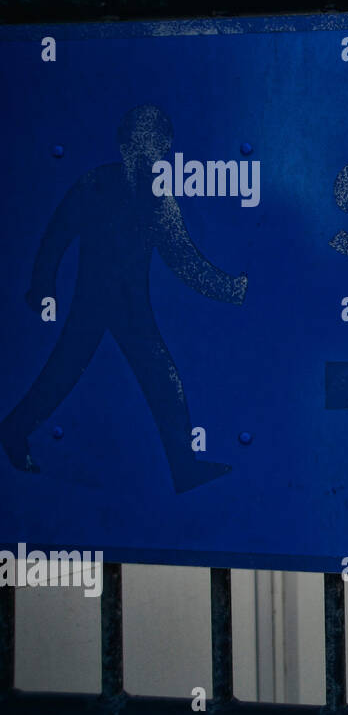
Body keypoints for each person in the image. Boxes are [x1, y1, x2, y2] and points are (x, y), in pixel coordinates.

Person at [1, 105, 247, 493]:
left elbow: (184, 261)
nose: (148, 155)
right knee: (82, 374)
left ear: (165, 149)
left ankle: (183, 467)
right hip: (99, 303)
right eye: (140, 145)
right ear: (124, 145)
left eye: (155, 147)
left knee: (152, 377)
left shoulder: (154, 200)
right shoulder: (97, 185)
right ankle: (183, 467)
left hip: (129, 306)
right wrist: (42, 287)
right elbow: (56, 236)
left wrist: (231, 290)